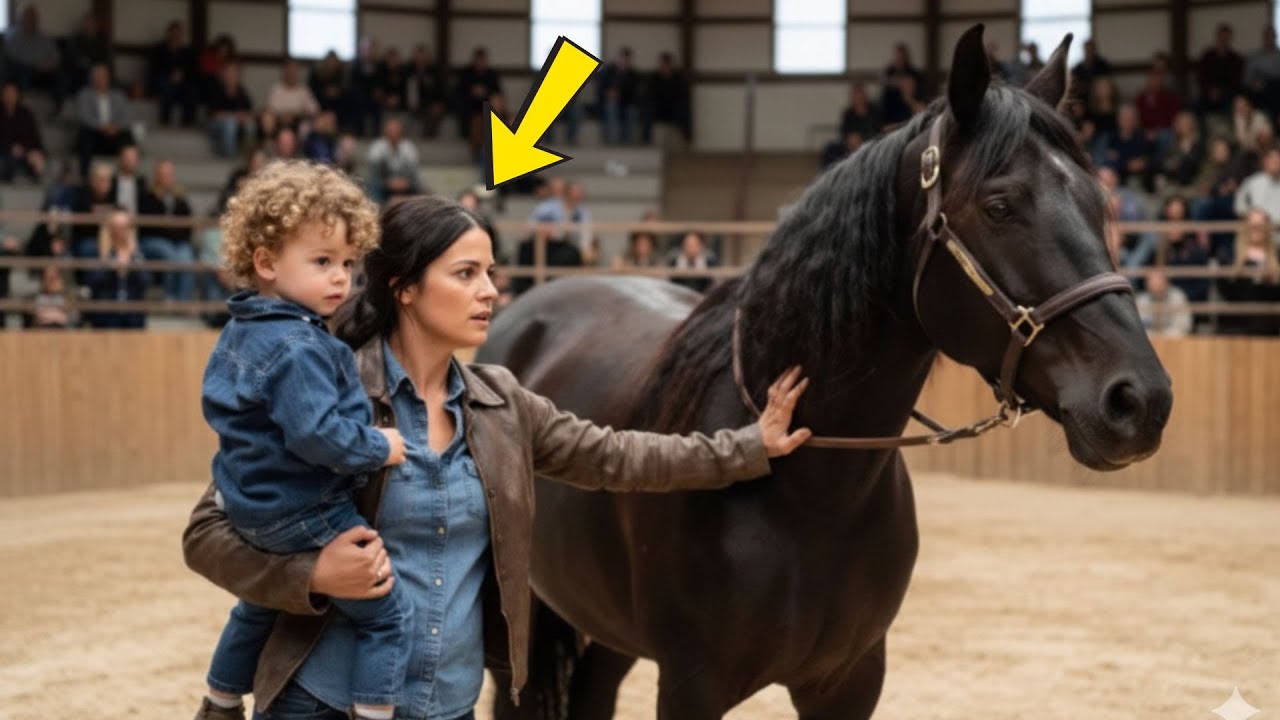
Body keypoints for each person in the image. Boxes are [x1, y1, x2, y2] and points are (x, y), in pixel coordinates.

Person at [183, 194, 812, 720]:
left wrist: (748, 447)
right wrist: (312, 576)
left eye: (489, 273)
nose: (489, 291)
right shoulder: (326, 390)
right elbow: (208, 532)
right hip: (320, 701)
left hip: (449, 705)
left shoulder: (502, 406)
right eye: (465, 274)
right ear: (404, 288)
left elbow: (620, 456)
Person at [190, 162, 414, 720]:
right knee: (387, 615)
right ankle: (373, 714)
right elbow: (319, 437)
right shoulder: (299, 347)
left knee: (257, 605)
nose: (341, 278)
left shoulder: (243, 328)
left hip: (248, 503)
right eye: (322, 262)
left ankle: (219, 701)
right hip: (301, 506)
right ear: (265, 263)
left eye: (346, 263)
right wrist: (377, 445)